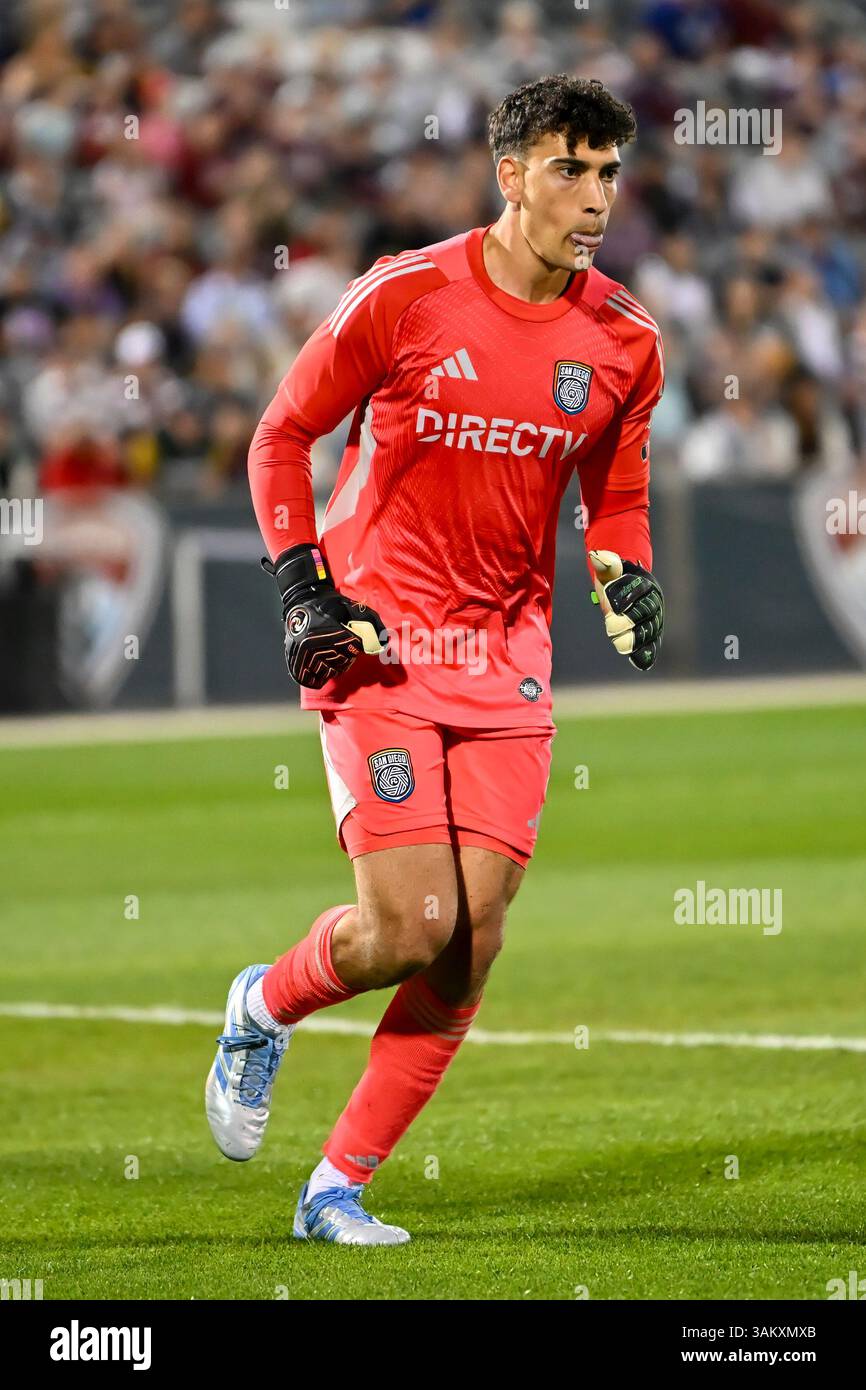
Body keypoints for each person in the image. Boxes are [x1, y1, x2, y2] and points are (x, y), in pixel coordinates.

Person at [206, 74, 666, 1245]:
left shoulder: (625, 339)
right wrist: (302, 580)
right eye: (569, 169)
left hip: (505, 655)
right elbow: (283, 432)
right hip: (376, 638)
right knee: (409, 925)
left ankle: (335, 1188)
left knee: (472, 943)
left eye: (608, 173)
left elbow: (613, 495)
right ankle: (265, 1002)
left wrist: (627, 577)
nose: (593, 196)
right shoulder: (407, 295)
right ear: (508, 174)